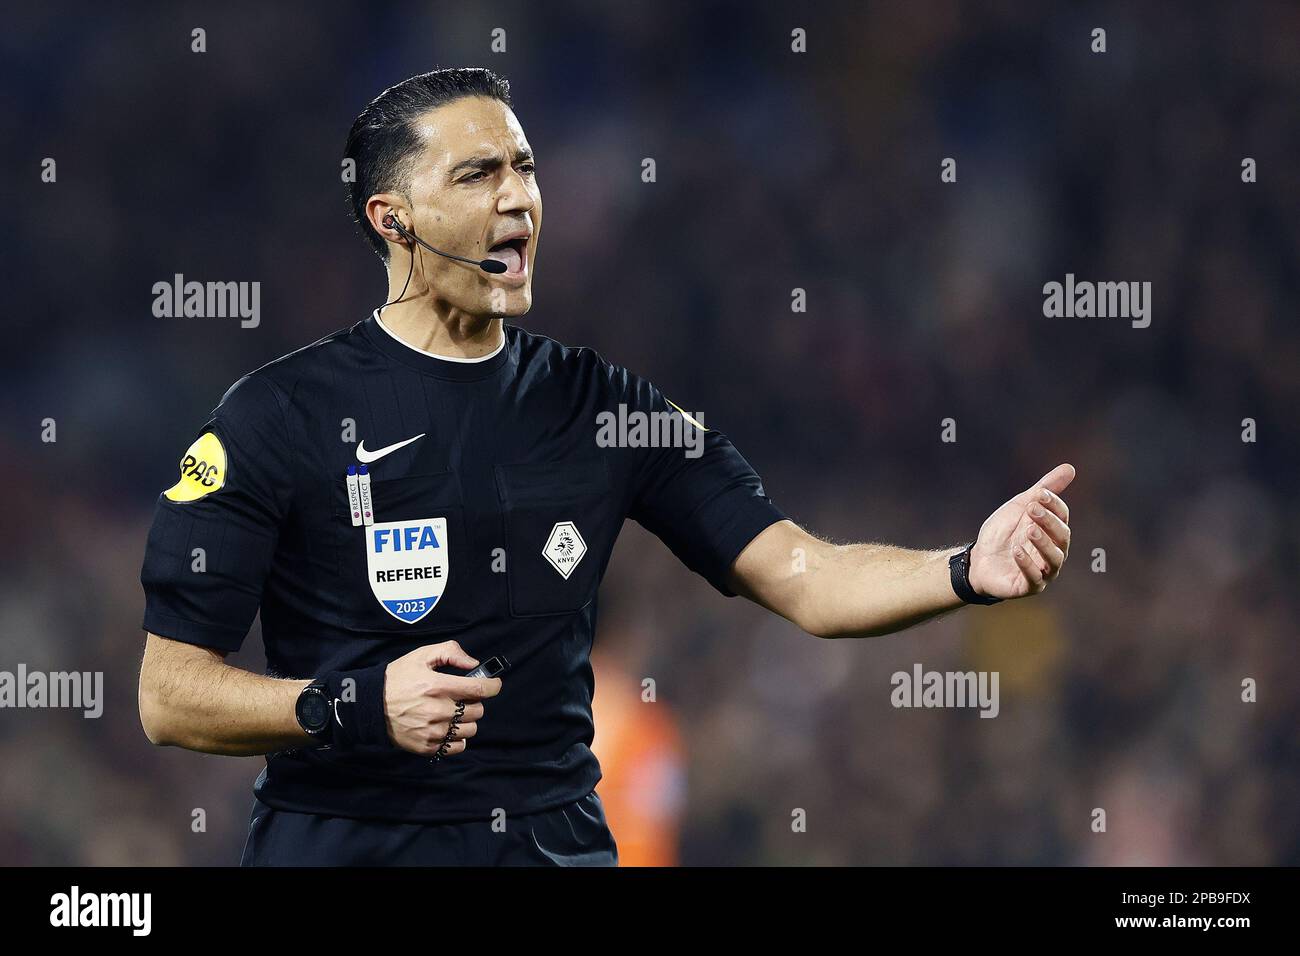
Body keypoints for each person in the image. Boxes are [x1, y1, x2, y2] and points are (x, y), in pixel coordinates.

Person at [137, 67, 1074, 866]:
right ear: (395, 219)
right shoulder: (277, 415)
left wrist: (964, 568)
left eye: (525, 167)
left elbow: (807, 576)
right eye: (477, 174)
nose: (518, 198)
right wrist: (357, 704)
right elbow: (169, 695)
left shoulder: (604, 409)